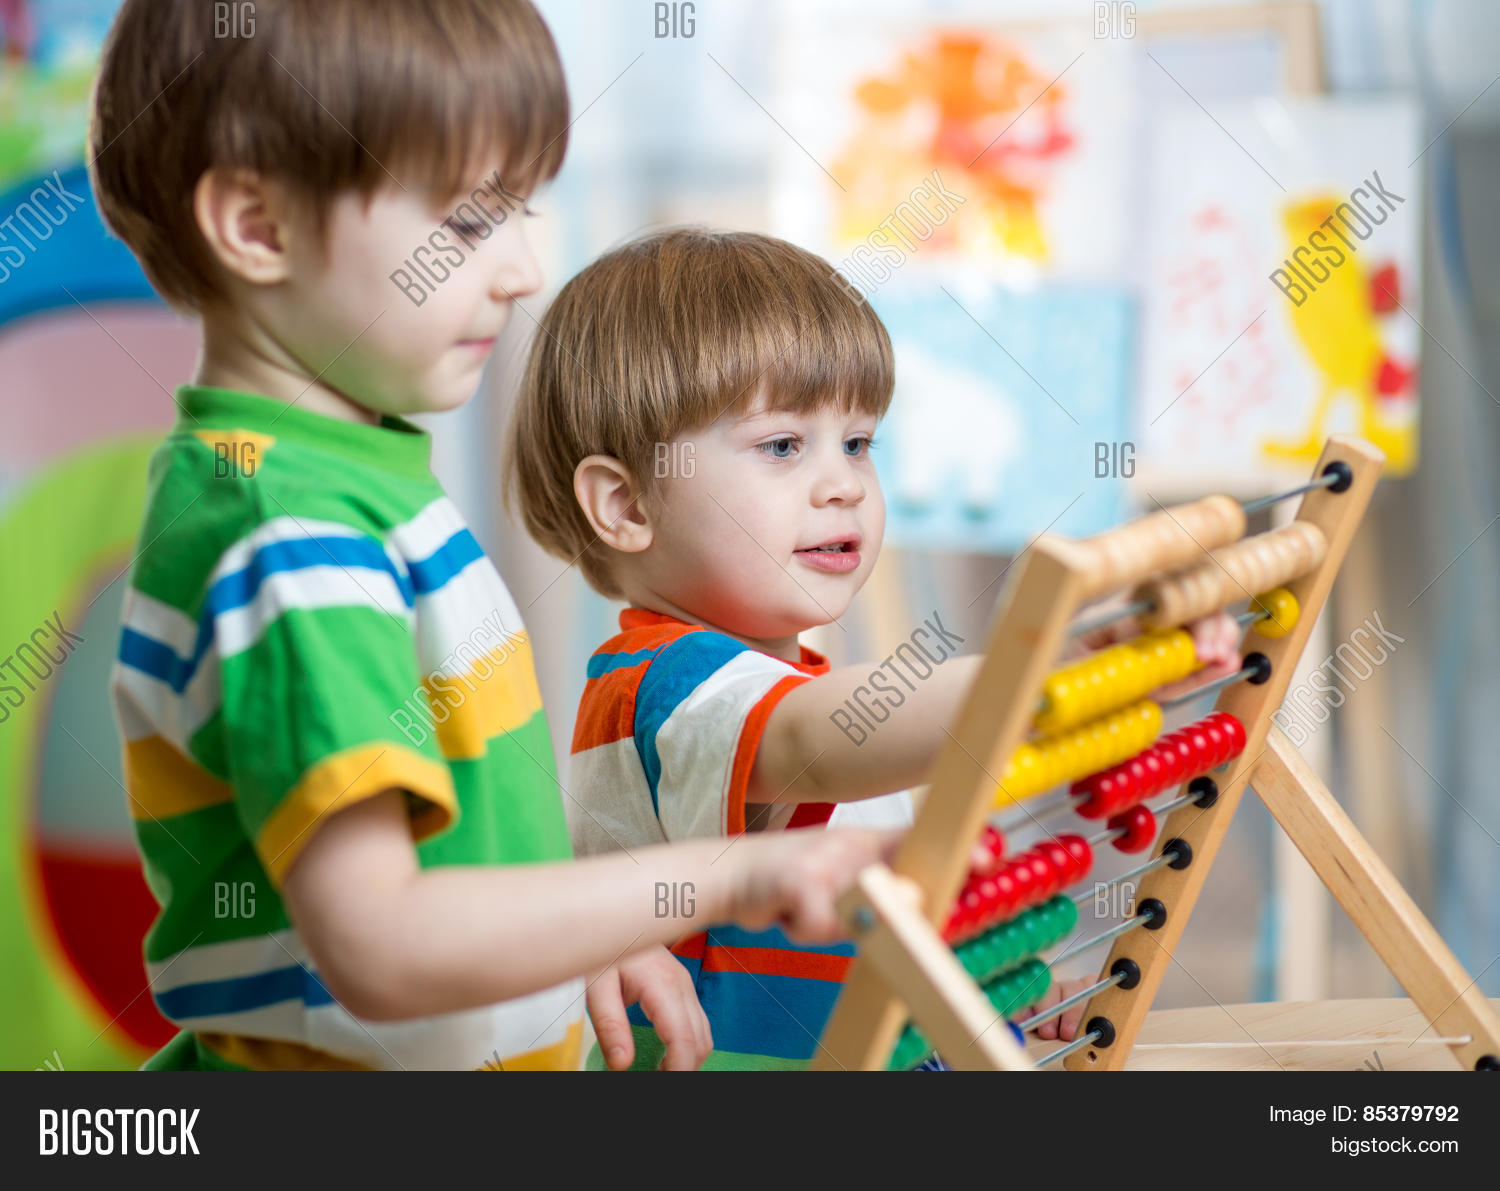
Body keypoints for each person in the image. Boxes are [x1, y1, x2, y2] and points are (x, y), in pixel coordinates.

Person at [92, 0, 895, 1072]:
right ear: (259, 226)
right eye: (470, 220)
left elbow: (453, 857)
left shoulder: (343, 489)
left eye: (522, 212)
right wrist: (730, 880)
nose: (520, 272)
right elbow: (380, 945)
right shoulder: (288, 539)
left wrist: (574, 948)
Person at [505, 227, 1242, 1067]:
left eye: (858, 443)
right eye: (783, 445)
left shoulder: (783, 682)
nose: (844, 482)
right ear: (627, 504)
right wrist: (1053, 674)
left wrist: (982, 988)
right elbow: (819, 739)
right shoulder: (665, 688)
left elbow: (864, 919)